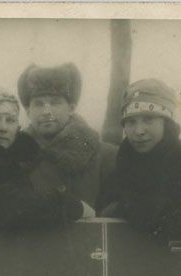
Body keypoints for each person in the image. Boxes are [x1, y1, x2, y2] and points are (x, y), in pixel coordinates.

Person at [96, 79, 181, 243]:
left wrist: (130, 208)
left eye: (148, 119)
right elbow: (102, 216)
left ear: (166, 123)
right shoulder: (120, 169)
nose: (139, 131)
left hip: (180, 266)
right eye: (130, 122)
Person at [0, 88, 92, 230]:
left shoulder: (24, 162)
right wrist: (70, 206)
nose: (3, 127)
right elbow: (0, 207)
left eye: (10, 120)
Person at [18, 63, 116, 208]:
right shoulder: (15, 157)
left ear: (71, 108)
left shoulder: (106, 156)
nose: (46, 111)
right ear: (28, 111)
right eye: (39, 104)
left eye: (55, 103)